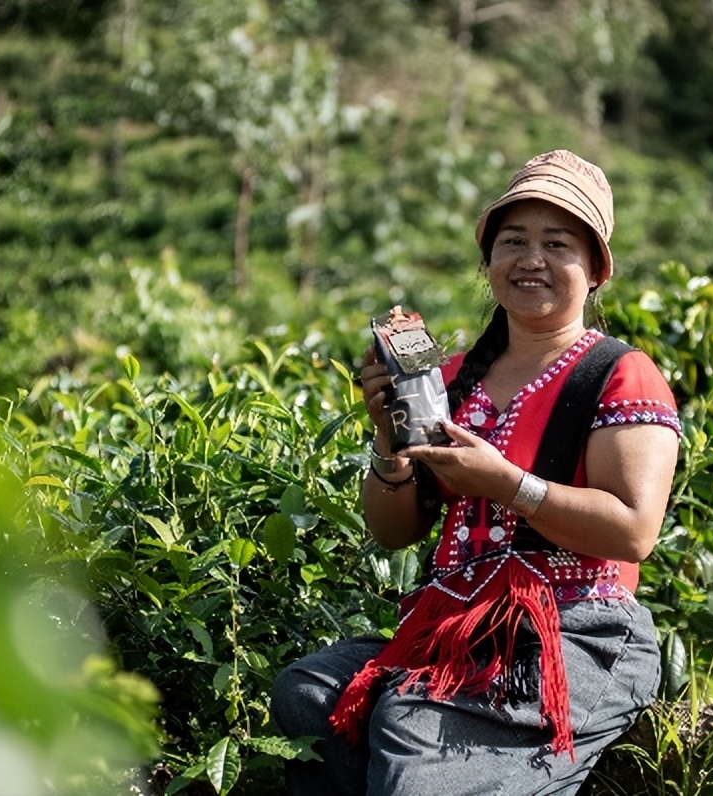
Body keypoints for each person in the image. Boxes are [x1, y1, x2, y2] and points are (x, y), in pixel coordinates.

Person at [270, 149, 681, 795]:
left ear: (596, 270)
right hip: (458, 624)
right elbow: (394, 533)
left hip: (576, 628)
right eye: (513, 241)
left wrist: (507, 484)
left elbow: (633, 532)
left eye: (557, 244)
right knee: (309, 693)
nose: (532, 259)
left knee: (411, 723)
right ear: (489, 261)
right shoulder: (451, 378)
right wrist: (389, 435)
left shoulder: (619, 373)